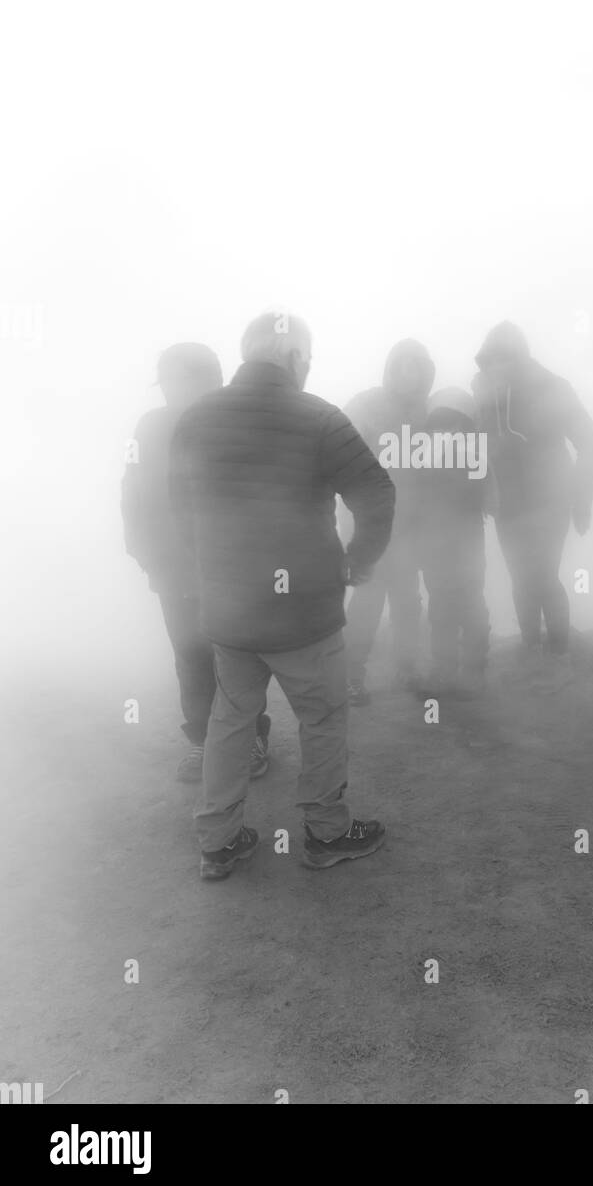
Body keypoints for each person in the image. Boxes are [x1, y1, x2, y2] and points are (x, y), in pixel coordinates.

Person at [170, 312, 395, 879]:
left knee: (230, 718)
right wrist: (359, 560)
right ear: (295, 357)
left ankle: (219, 841)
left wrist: (207, 569)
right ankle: (327, 832)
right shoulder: (319, 417)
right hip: (303, 614)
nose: (309, 366)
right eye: (309, 357)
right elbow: (376, 493)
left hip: (229, 610)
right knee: (321, 715)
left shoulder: (195, 418)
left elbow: (180, 507)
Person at [121, 342, 272, 782]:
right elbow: (132, 490)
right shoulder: (149, 427)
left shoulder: (238, 420)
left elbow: (260, 492)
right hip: (172, 566)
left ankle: (252, 738)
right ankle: (203, 741)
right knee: (189, 654)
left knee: (237, 657)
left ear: (212, 378)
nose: (172, 389)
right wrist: (142, 550)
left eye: (182, 379)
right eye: (167, 381)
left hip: (232, 566)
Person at [472, 321, 593, 685]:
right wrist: (483, 487)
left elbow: (590, 441)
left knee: (542, 575)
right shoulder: (481, 389)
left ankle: (558, 653)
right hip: (507, 500)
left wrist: (581, 498)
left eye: (506, 357)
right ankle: (531, 648)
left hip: (551, 497)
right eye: (491, 358)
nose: (498, 365)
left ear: (521, 356)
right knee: (519, 575)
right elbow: (477, 445)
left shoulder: (552, 387)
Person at [342, 338, 435, 704]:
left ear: (426, 372)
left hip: (411, 522)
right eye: (401, 365)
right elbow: (342, 453)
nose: (408, 373)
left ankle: (407, 668)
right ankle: (351, 676)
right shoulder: (365, 405)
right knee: (368, 597)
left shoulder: (429, 412)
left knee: (407, 599)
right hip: (369, 519)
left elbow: (441, 463)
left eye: (416, 366)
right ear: (390, 368)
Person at [416, 388, 492, 697]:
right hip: (437, 545)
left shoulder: (474, 458)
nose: (447, 430)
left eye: (454, 423)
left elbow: (487, 498)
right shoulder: (426, 460)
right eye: (440, 424)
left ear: (467, 426)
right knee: (441, 607)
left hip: (466, 544)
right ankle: (445, 671)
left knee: (470, 604)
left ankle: (473, 671)